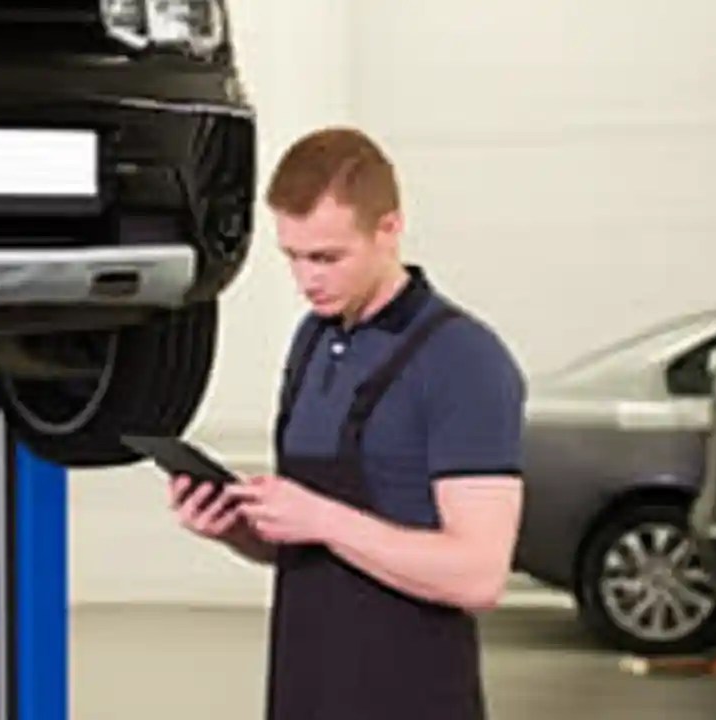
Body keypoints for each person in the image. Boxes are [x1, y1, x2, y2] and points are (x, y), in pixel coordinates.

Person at [168, 126, 527, 720]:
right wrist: (241, 526)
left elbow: (479, 575)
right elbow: (312, 546)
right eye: (294, 258)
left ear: (389, 229)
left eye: (327, 258)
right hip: (307, 688)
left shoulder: (465, 361)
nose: (308, 279)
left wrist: (321, 518)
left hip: (411, 698)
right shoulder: (312, 340)